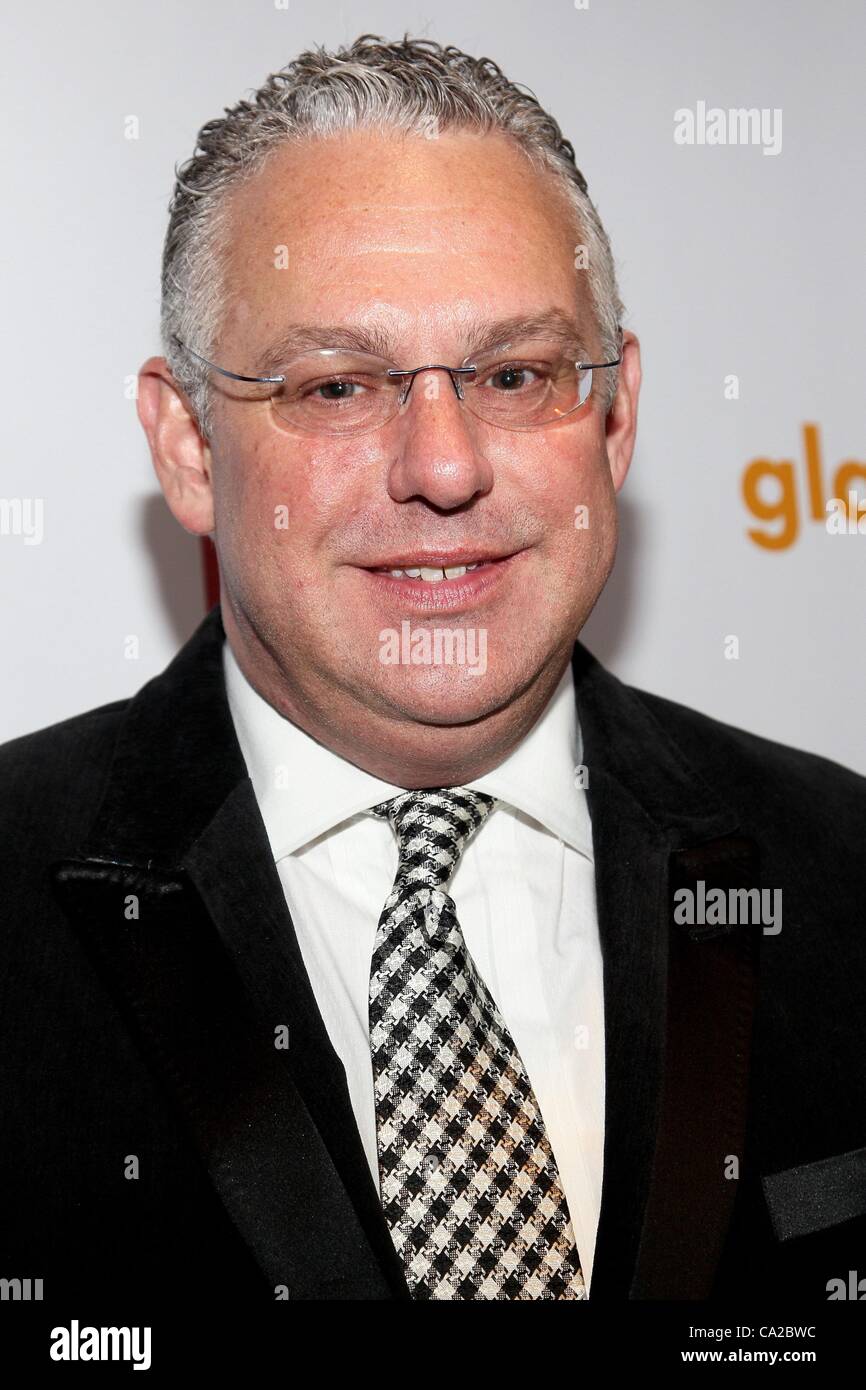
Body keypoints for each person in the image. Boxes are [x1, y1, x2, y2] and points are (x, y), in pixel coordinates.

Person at [1, 34, 864, 1308]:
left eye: (514, 375)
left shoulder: (838, 866)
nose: (445, 467)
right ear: (186, 444)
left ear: (613, 416)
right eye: (339, 384)